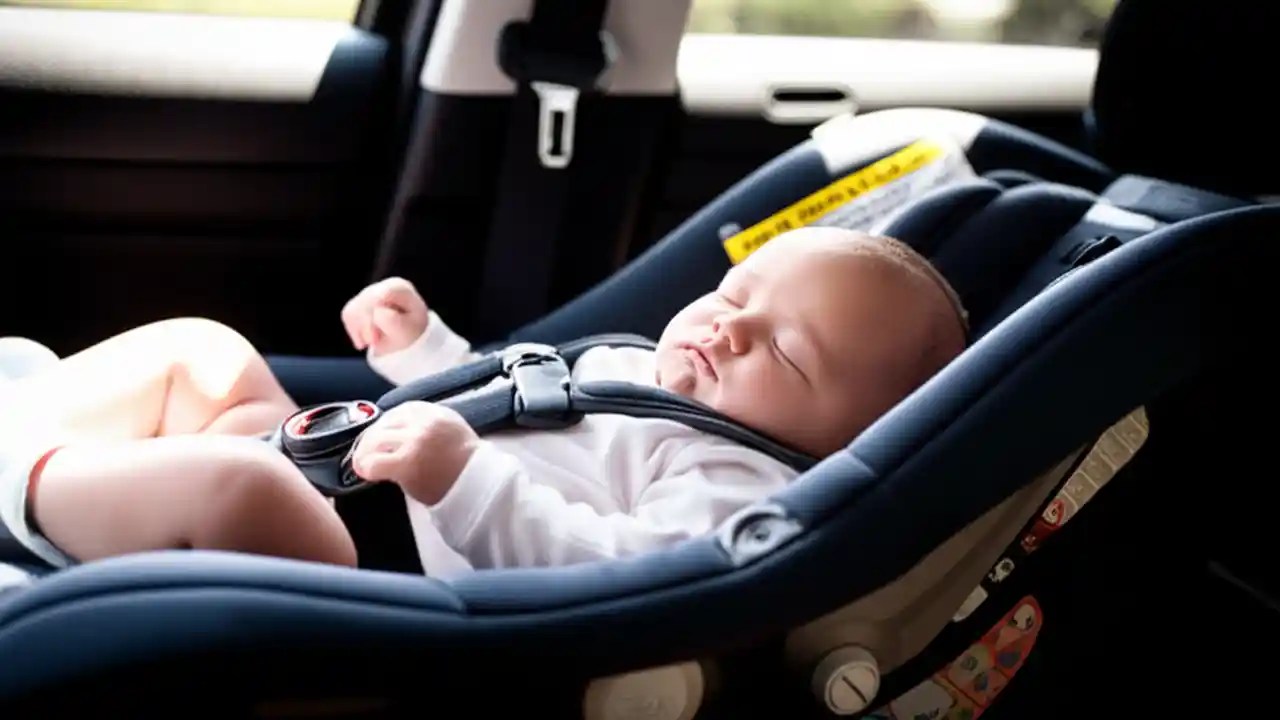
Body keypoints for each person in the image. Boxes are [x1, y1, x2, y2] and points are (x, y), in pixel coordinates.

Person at [0, 227, 968, 576]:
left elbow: (610, 567)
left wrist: (461, 482)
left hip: (378, 561)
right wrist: (422, 348)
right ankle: (31, 425)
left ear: (850, 435)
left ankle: (28, 489)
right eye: (731, 298)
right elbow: (519, 394)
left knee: (231, 491)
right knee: (201, 355)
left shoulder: (734, 480)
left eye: (782, 353)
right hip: (355, 467)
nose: (725, 329)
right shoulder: (643, 371)